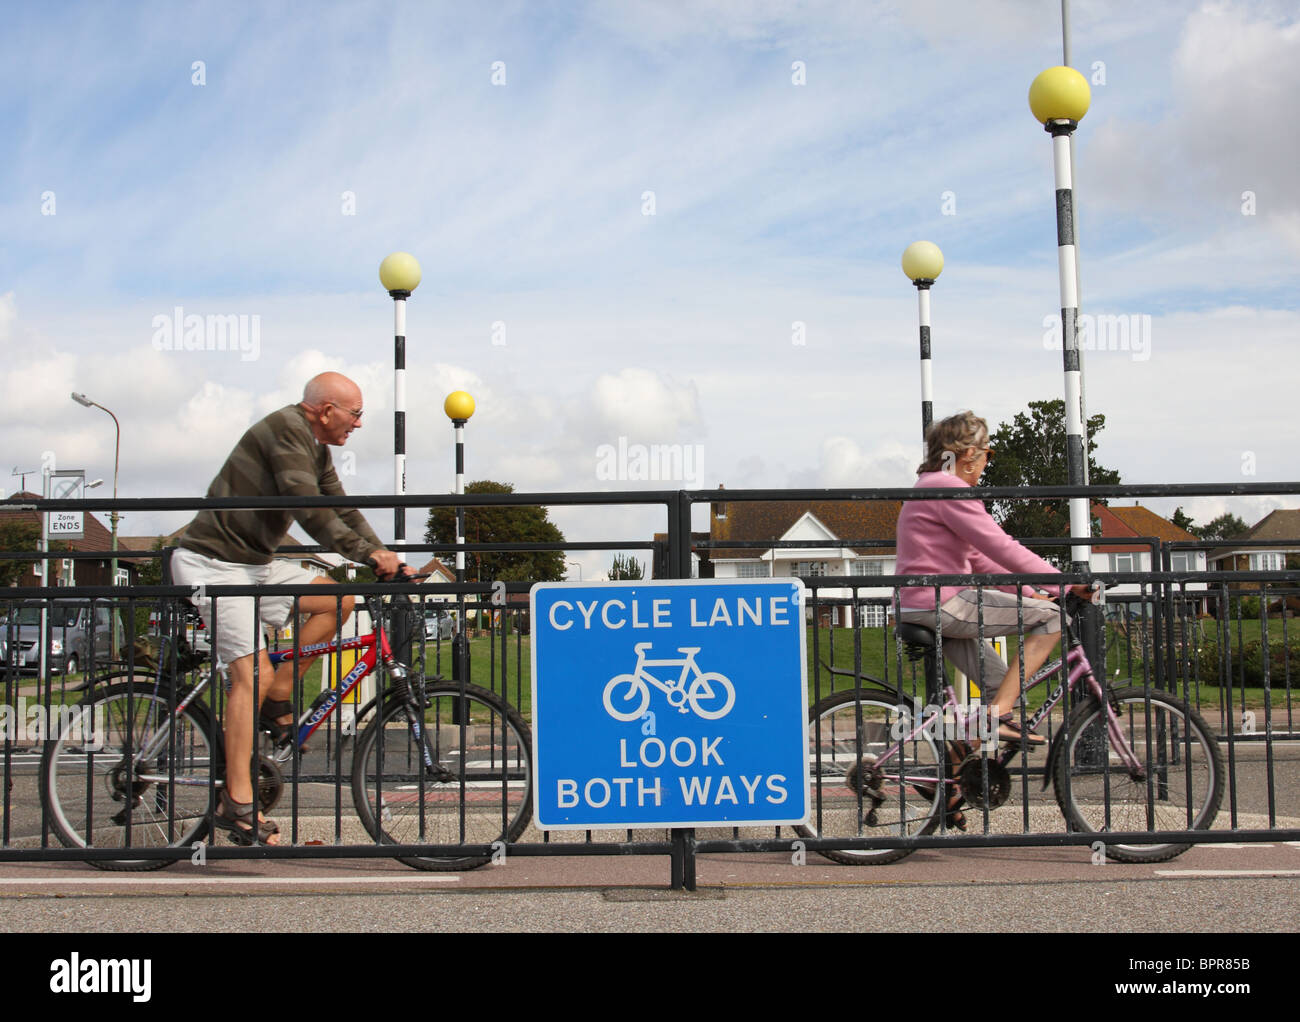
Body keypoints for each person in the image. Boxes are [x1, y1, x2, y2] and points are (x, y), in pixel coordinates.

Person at [172, 372, 408, 844]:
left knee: (338, 599)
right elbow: (310, 510)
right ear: (325, 411)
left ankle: (279, 695)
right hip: (214, 565)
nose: (359, 424)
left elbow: (342, 507)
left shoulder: (315, 447)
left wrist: (387, 558)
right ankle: (237, 801)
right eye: (355, 413)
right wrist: (366, 555)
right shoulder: (286, 433)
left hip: (254, 566)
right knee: (248, 675)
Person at [895, 410, 1090, 748]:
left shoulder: (928, 487)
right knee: (1054, 618)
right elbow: (999, 546)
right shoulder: (949, 489)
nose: (987, 462)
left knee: (999, 685)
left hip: (921, 605)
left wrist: (1031, 592)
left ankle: (956, 774)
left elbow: (979, 558)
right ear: (969, 454)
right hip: (942, 602)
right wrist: (1067, 584)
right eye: (988, 453)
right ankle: (996, 715)